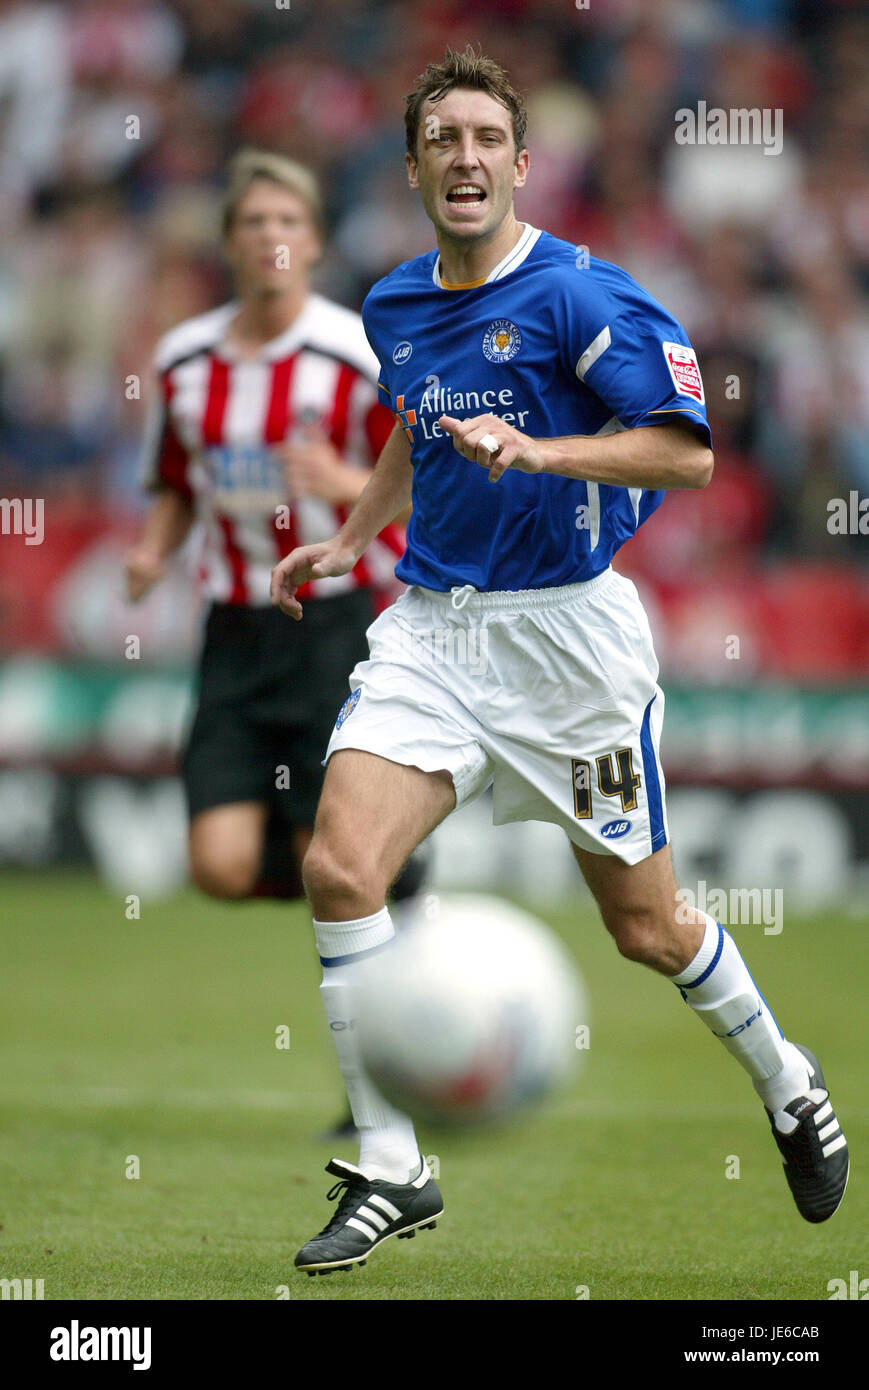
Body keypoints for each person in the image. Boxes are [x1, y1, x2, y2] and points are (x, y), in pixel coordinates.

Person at [271, 47, 849, 1276]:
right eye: (444, 140)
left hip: (566, 647)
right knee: (335, 864)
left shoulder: (583, 297)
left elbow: (685, 456)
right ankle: (392, 1164)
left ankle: (788, 1082)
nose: (466, 158)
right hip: (432, 629)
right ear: (417, 164)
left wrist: (542, 455)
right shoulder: (392, 303)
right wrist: (351, 535)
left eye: (488, 138)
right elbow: (416, 426)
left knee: (646, 928)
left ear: (523, 165)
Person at [126, 147, 425, 911]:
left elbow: (426, 485)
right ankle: (387, 870)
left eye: (289, 220)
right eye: (254, 221)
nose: (272, 236)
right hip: (233, 626)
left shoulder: (358, 354)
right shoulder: (182, 361)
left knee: (326, 850)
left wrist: (343, 485)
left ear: (317, 241)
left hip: (338, 620)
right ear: (229, 241)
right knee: (219, 867)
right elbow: (175, 482)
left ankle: (387, 870)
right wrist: (152, 550)